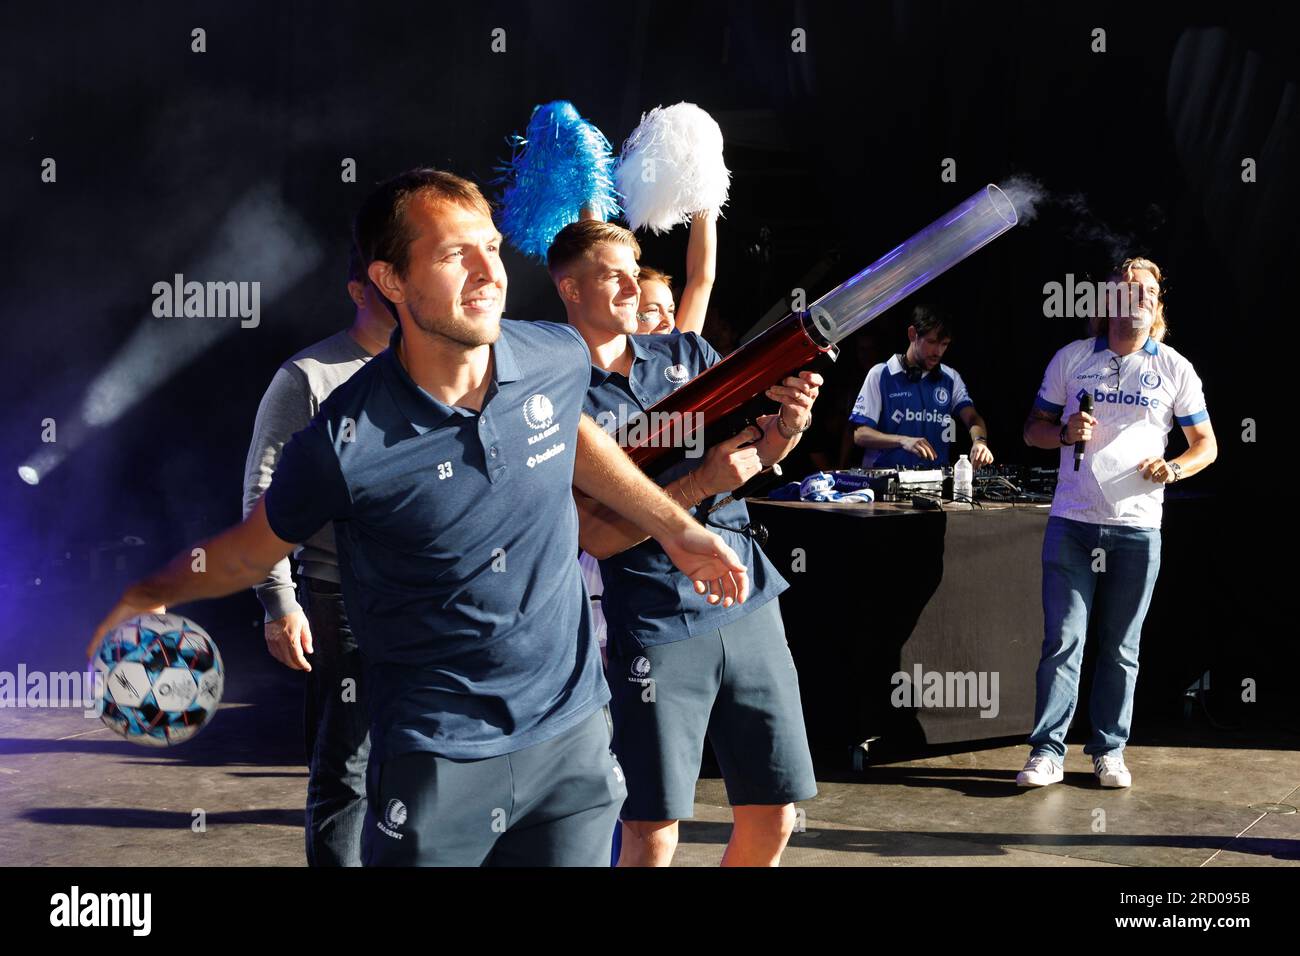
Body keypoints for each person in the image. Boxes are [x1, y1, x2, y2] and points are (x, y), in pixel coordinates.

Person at [91, 168, 751, 866]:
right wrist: (149, 593)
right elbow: (249, 549)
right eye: (452, 254)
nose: (487, 272)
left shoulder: (554, 356)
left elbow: (578, 443)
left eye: (491, 248)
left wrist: (679, 527)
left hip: (574, 745)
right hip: (438, 760)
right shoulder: (344, 441)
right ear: (391, 281)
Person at [548, 219, 819, 867]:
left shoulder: (687, 359)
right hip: (654, 621)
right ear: (568, 289)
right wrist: (703, 481)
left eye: (630, 267)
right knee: (652, 830)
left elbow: (760, 453)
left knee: (775, 815)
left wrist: (788, 422)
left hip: (750, 601)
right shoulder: (556, 397)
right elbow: (597, 533)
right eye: (608, 273)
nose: (627, 283)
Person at [1018, 257, 1216, 788]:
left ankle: (1109, 749)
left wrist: (1173, 468)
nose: (1144, 297)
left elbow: (1206, 447)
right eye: (1131, 289)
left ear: (1158, 305)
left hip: (1136, 527)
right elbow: (1031, 430)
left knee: (1121, 646)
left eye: (1151, 290)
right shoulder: (1072, 358)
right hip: (1073, 522)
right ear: (1108, 303)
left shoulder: (1175, 368)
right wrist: (1061, 433)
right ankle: (1046, 752)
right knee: (1063, 639)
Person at [241, 245, 393, 866]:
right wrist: (280, 601)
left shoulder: (439, 368)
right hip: (343, 598)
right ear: (359, 290)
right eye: (387, 281)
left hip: (429, 598)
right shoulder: (309, 376)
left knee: (423, 766)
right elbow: (263, 494)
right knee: (347, 770)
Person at [849, 304, 994, 469]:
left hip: (934, 484)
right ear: (912, 334)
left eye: (944, 344)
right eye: (931, 342)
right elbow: (860, 434)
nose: (938, 352)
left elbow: (972, 418)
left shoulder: (950, 378)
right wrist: (902, 440)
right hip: (885, 482)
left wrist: (980, 442)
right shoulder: (881, 374)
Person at [635, 211, 716, 336]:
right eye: (652, 311)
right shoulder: (606, 351)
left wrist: (703, 203)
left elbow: (701, 278)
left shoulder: (680, 347)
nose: (667, 322)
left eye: (671, 310)